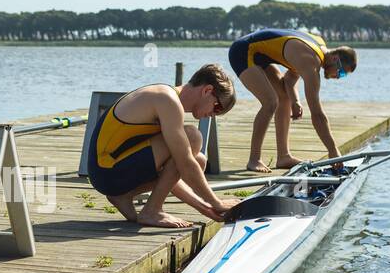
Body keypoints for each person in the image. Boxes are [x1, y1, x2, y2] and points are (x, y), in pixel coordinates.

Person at [87, 64, 240, 229]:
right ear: (207, 91)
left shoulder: (169, 98)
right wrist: (217, 202)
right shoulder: (166, 99)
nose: (213, 115)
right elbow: (184, 164)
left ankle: (124, 196)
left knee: (199, 160)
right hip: (107, 171)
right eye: (217, 108)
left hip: (109, 172)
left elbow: (172, 173)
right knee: (192, 137)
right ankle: (152, 211)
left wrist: (206, 208)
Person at [227, 28, 356, 172]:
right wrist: (333, 150)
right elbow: (317, 115)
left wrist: (295, 100)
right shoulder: (310, 61)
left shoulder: (317, 46)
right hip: (242, 51)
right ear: (335, 59)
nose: (338, 77)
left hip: (259, 54)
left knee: (284, 97)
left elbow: (289, 79)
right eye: (342, 72)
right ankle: (254, 160)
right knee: (270, 102)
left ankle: (284, 157)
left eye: (343, 75)